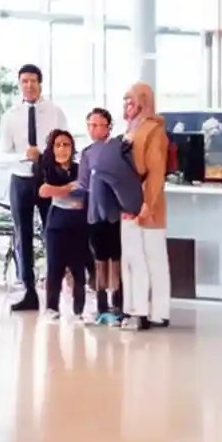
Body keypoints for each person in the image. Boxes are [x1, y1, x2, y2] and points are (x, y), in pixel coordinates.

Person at [0, 64, 68, 312]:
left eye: (33, 81)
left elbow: (65, 147)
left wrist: (45, 155)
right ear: (20, 84)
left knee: (53, 234)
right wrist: (23, 156)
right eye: (24, 81)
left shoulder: (55, 112)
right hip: (21, 180)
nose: (29, 85)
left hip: (48, 180)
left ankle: (54, 291)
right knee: (22, 236)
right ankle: (28, 291)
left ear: (41, 84)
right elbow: (2, 156)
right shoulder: (10, 116)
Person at [119, 82, 171, 331]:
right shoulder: (130, 129)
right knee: (134, 259)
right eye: (126, 100)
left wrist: (148, 204)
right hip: (129, 204)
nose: (128, 105)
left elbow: (156, 171)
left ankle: (154, 312)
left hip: (147, 206)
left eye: (133, 101)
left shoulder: (153, 130)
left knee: (152, 259)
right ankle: (143, 309)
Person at [73, 108, 125, 325]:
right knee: (99, 258)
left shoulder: (118, 149)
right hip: (94, 213)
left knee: (116, 258)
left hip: (115, 212)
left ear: (108, 127)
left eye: (98, 125)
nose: (93, 129)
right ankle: (101, 304)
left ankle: (118, 303)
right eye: (90, 125)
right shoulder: (86, 153)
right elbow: (82, 184)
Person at [35, 129, 90, 323]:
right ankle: (51, 307)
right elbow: (44, 190)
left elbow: (84, 192)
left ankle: (80, 308)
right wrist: (69, 188)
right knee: (55, 268)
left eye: (66, 144)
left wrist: (62, 191)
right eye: (58, 145)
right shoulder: (47, 169)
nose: (62, 148)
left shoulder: (79, 168)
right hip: (57, 225)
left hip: (79, 224)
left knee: (78, 268)